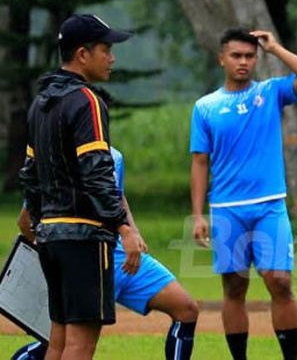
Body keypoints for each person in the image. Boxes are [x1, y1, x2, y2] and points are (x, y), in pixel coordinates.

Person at [190, 28, 297, 360]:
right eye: (236, 55)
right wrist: (197, 215)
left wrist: (276, 47)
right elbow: (199, 162)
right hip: (226, 210)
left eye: (250, 56)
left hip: (269, 207)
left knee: (279, 282)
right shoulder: (205, 107)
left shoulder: (271, 92)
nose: (244, 62)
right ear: (222, 59)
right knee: (234, 288)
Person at [18, 14, 142, 360]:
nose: (112, 58)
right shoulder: (87, 100)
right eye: (107, 49)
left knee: (57, 339)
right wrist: (124, 225)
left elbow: (30, 174)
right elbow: (97, 172)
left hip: (52, 238)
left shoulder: (40, 104)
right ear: (83, 54)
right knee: (81, 343)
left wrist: (41, 223)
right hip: (85, 238)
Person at [14, 146, 200, 360]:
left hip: (123, 258)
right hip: (87, 262)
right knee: (66, 344)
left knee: (186, 309)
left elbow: (117, 197)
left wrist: (133, 231)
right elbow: (25, 220)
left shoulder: (115, 155)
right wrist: (51, 253)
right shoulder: (60, 156)